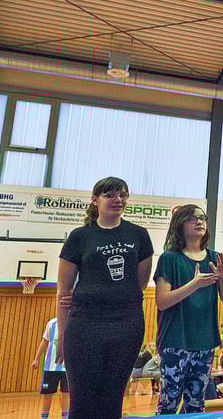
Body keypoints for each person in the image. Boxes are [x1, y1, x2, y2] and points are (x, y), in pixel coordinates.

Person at [56, 176, 154, 419]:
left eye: (122, 195)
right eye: (110, 195)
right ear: (94, 200)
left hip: (126, 323)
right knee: (82, 399)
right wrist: (62, 333)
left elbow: (139, 284)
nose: (117, 200)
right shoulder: (80, 237)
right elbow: (63, 291)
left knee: (112, 398)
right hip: (84, 325)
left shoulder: (139, 235)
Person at [154, 204, 223, 414]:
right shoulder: (169, 258)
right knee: (169, 403)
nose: (199, 222)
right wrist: (195, 284)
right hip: (175, 341)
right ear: (180, 224)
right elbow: (162, 301)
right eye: (192, 218)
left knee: (196, 404)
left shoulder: (214, 258)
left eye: (202, 218)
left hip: (204, 341)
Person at [31, 316, 68, 419]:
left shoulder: (72, 322)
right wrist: (36, 359)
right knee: (47, 394)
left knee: (66, 393)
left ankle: (65, 416)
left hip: (66, 368)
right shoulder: (52, 323)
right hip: (50, 367)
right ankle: (44, 416)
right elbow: (45, 342)